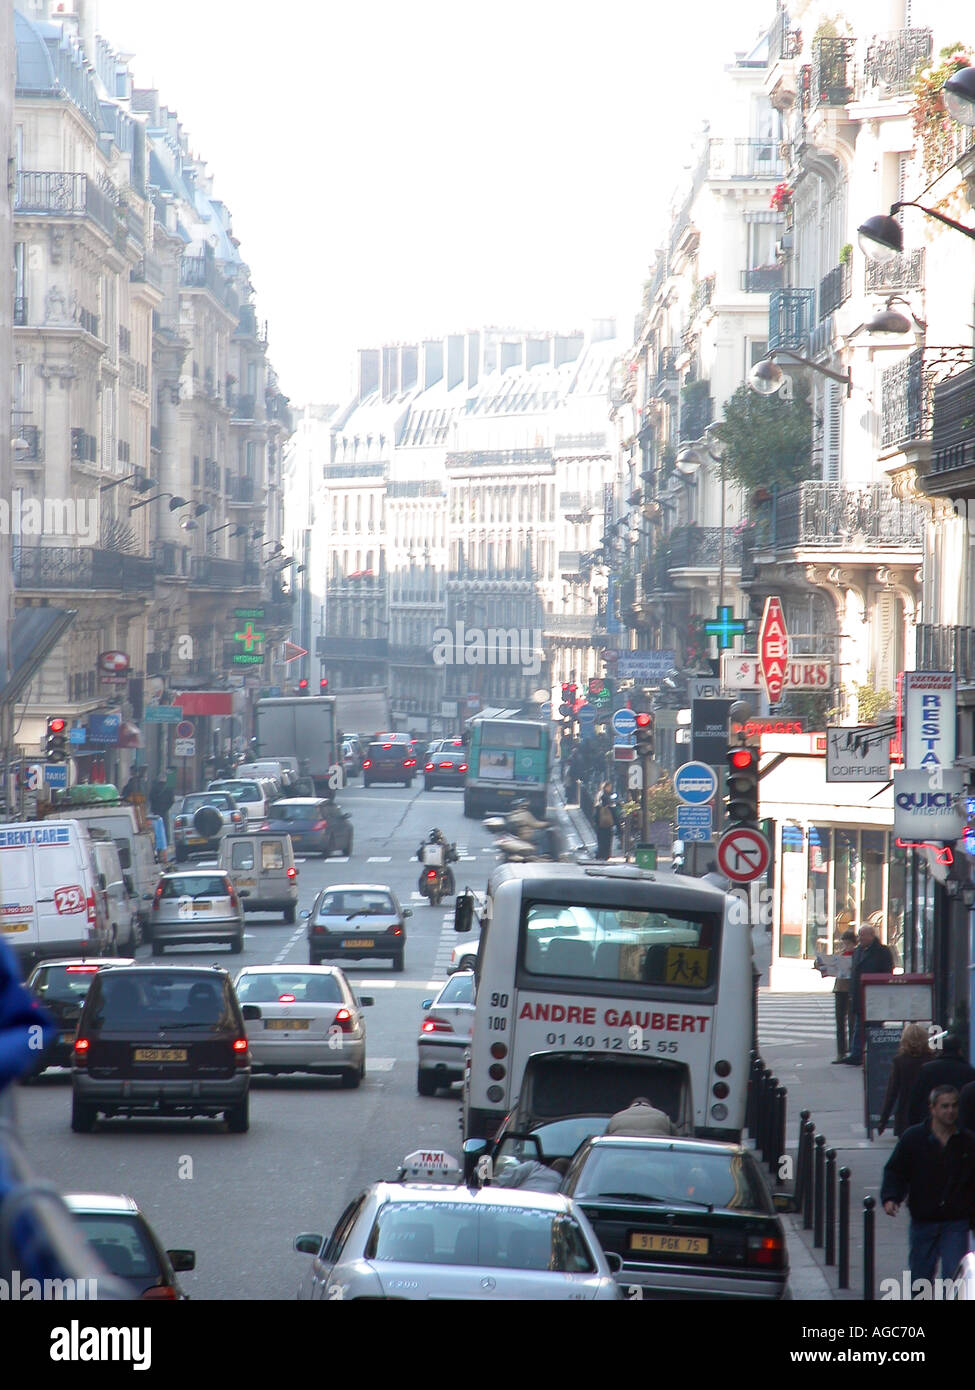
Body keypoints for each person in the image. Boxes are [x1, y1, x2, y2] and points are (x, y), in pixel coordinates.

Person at [881, 1085, 975, 1293]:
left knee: (954, 1278)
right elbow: (896, 1170)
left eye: (954, 1106)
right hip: (924, 1220)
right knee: (920, 1279)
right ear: (932, 1109)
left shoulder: (967, 1141)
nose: (950, 1111)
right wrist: (891, 1197)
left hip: (955, 1221)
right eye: (944, 1106)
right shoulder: (914, 1138)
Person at [841, 923, 894, 1065]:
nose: (860, 938)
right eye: (859, 935)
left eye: (863, 935)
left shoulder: (882, 951)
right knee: (859, 1026)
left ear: (872, 935)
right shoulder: (858, 951)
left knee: (875, 1026)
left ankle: (875, 1053)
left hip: (875, 994)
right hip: (859, 995)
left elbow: (887, 972)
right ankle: (856, 1054)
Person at [878, 1023, 934, 1138]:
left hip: (905, 1114)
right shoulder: (932, 1060)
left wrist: (883, 1120)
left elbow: (892, 1093)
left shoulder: (900, 1061)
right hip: (928, 1113)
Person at [906, 1035, 975, 1128]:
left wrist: (913, 1124)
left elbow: (916, 1098)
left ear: (941, 1050)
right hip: (958, 1125)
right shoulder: (969, 1071)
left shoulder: (927, 1069)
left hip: (930, 1123)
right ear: (959, 1051)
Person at [822, 926, 856, 1063]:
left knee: (852, 1022)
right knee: (840, 1022)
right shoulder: (840, 954)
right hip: (840, 989)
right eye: (844, 943)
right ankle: (841, 1052)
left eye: (848, 943)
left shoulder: (857, 955)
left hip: (851, 990)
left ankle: (852, 1051)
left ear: (854, 943)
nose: (846, 946)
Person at [605, 1097, 675, 1137]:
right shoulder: (663, 1116)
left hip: (623, 1151)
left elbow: (606, 1137)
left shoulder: (616, 1117)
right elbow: (676, 1137)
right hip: (654, 1152)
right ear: (650, 1106)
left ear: (630, 1106)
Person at [594, 782, 620, 862]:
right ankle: (605, 855)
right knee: (607, 841)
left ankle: (600, 854)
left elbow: (595, 815)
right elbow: (614, 814)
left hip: (600, 826)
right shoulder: (607, 799)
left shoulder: (598, 799)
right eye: (609, 787)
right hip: (607, 825)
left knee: (601, 840)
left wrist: (597, 823)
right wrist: (618, 826)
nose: (610, 788)